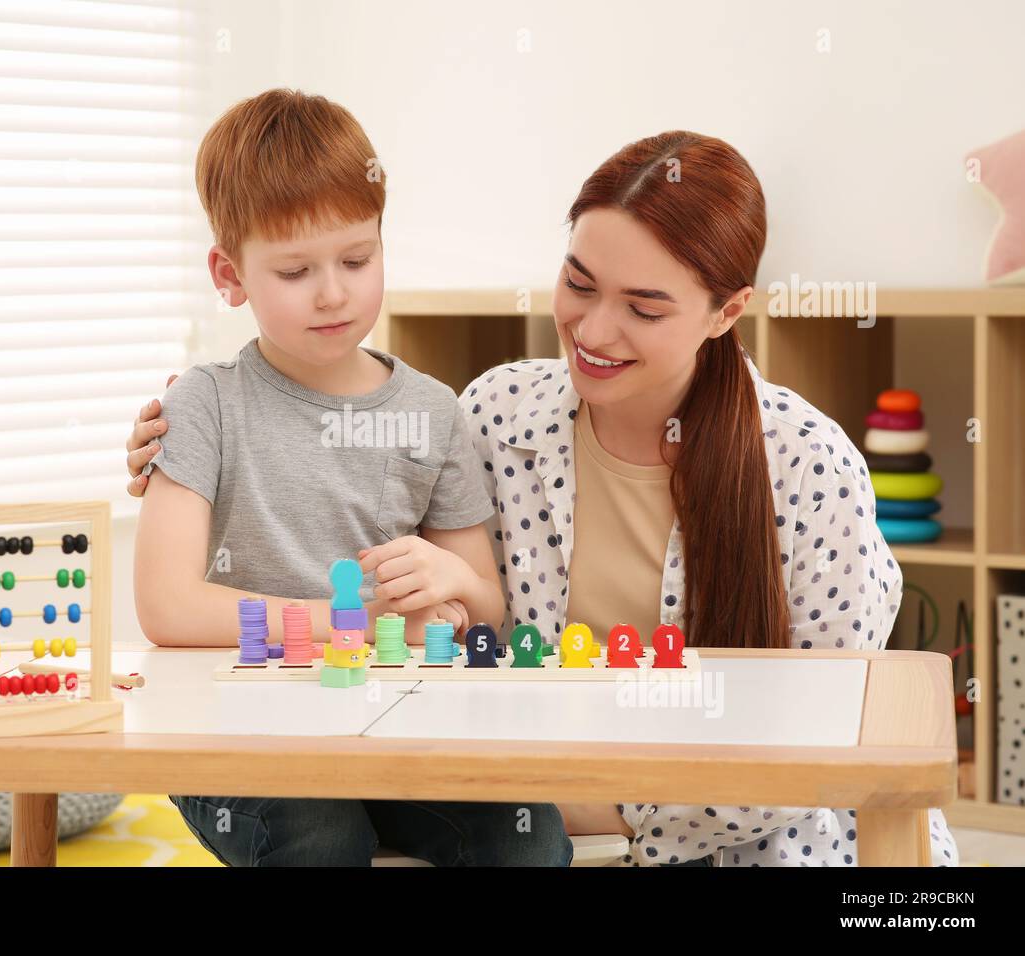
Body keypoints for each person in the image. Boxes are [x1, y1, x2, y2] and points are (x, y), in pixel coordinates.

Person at [130, 128, 959, 867]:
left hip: (749, 837)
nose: (595, 332)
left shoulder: (809, 470)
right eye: (579, 282)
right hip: (503, 798)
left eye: (644, 307)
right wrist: (199, 429)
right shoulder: (494, 413)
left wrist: (574, 805)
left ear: (725, 313)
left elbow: (827, 747)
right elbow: (398, 539)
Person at [134, 88, 572, 866]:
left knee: (523, 835)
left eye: (357, 259)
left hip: (398, 723)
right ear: (229, 275)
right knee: (321, 835)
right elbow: (168, 607)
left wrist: (449, 577)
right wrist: (356, 627)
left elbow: (486, 609)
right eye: (296, 270)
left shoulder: (436, 413)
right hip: (240, 732)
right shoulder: (204, 405)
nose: (334, 292)